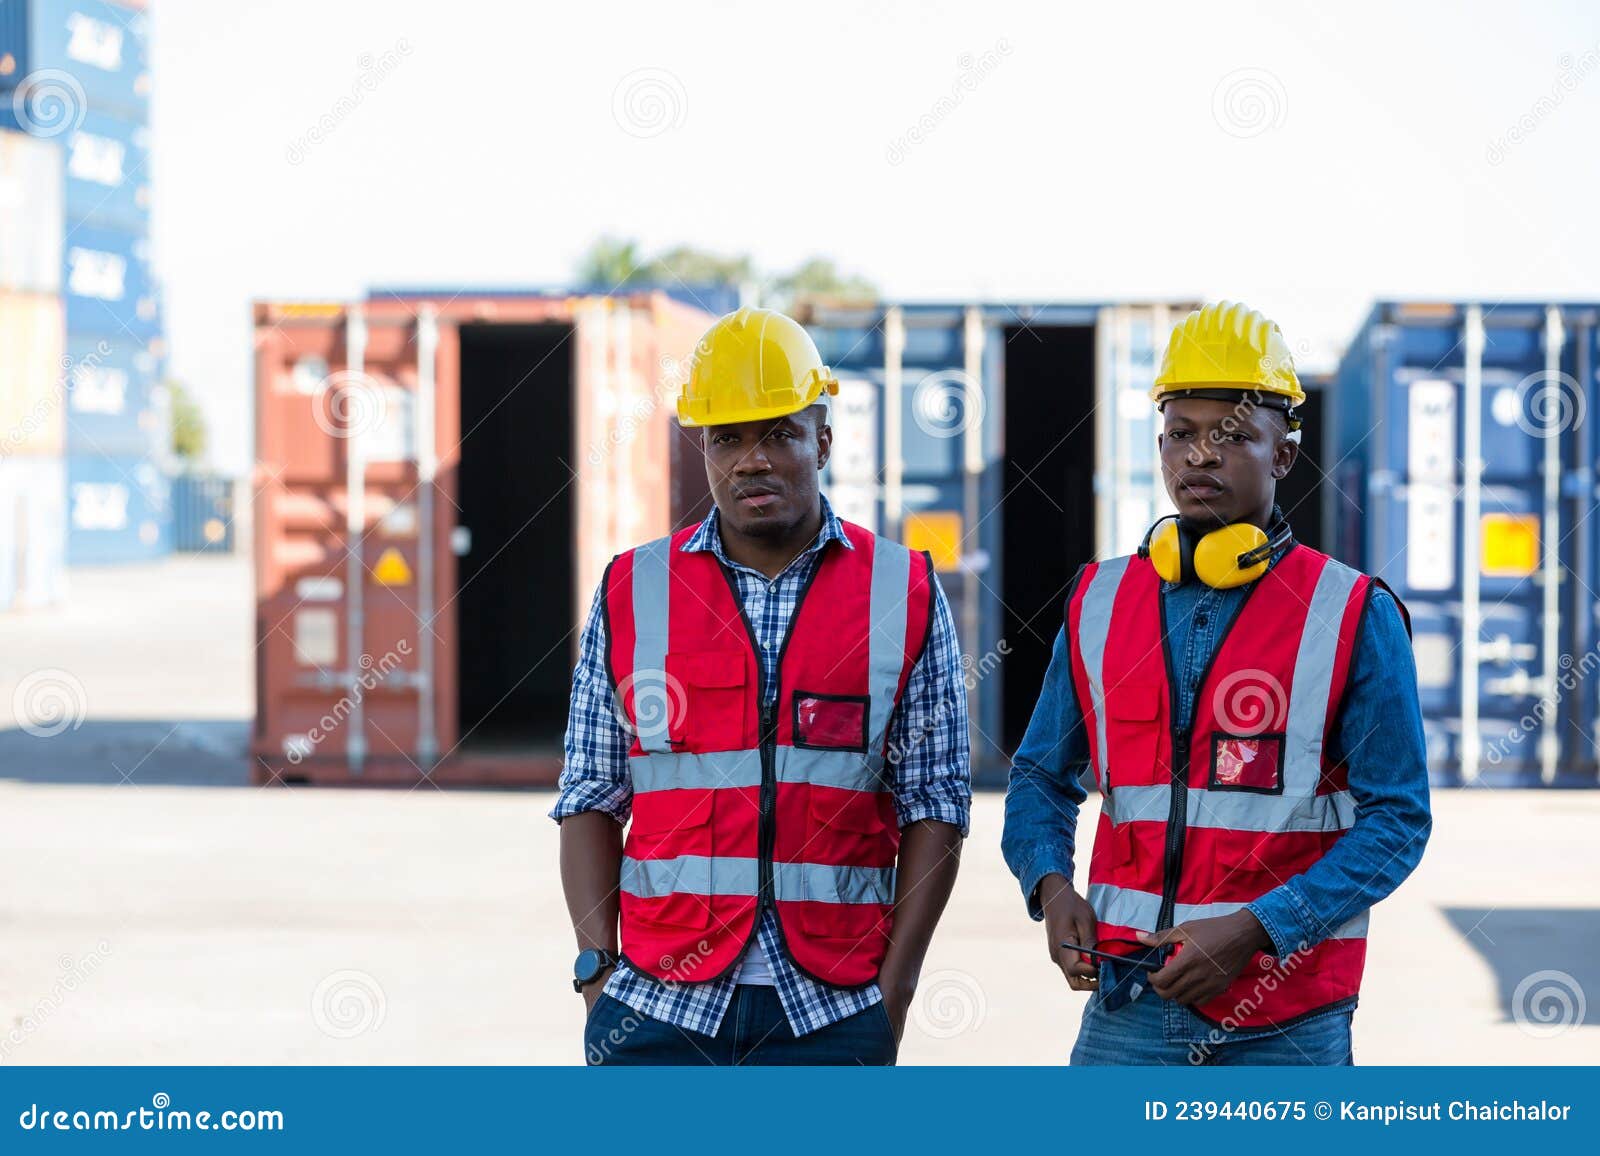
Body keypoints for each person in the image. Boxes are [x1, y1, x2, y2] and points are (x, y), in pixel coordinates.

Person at [1001, 300, 1432, 1065]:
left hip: (1288, 1027)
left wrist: (1257, 930)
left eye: (1231, 435)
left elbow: (1397, 822)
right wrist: (1050, 886)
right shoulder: (1096, 602)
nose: (1198, 455)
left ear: (1283, 456)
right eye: (1180, 434)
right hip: (1124, 1013)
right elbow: (1039, 773)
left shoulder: (1354, 614)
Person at [554, 306, 970, 1065]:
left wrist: (895, 993)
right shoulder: (631, 587)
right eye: (728, 437)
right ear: (703, 449)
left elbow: (936, 803)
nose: (752, 459)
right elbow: (589, 795)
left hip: (831, 1008)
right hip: (654, 1003)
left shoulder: (901, 588)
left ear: (824, 439)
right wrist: (596, 973)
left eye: (779, 433)